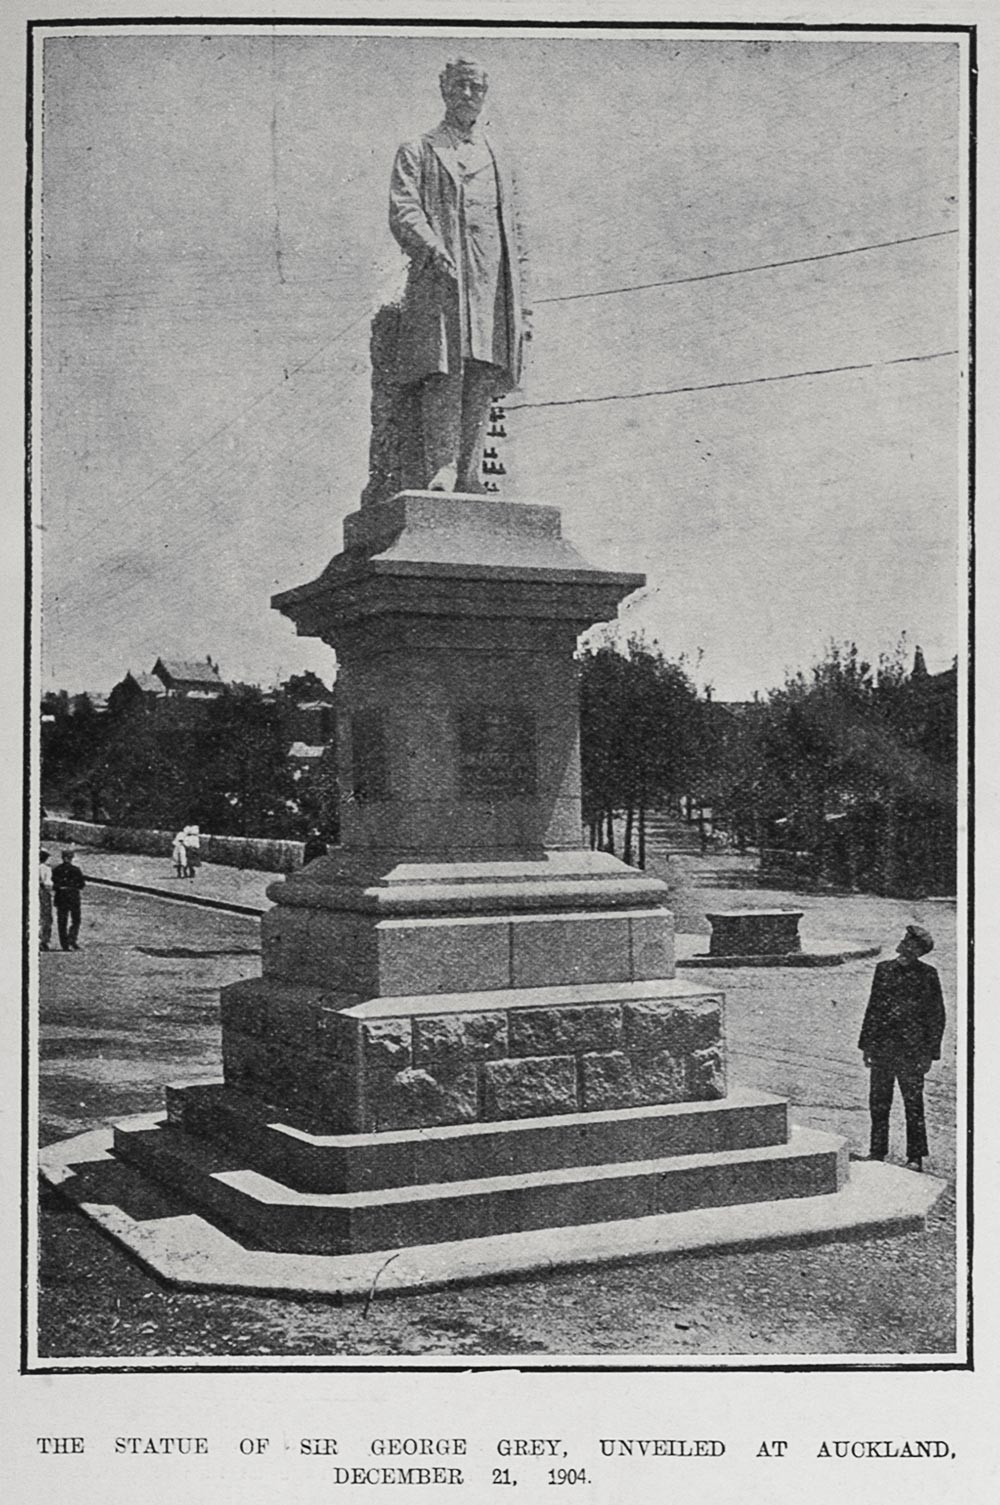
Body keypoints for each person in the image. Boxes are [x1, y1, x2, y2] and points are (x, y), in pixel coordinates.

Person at [389, 58, 529, 493]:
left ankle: (469, 473)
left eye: (475, 87)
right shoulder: (420, 149)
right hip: (442, 276)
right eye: (459, 86)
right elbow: (404, 209)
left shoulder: (499, 158)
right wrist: (432, 247)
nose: (467, 94)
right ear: (444, 90)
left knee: (482, 370)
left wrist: (523, 306)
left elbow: (518, 236)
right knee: (444, 370)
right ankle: (443, 467)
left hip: (490, 280)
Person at [858, 923, 946, 1171]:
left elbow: (936, 1016)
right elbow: (873, 1009)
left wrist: (930, 1054)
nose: (902, 942)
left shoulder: (928, 974)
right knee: (879, 1102)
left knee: (913, 1104)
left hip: (912, 1052)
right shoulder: (883, 969)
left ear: (917, 949)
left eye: (908, 941)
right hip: (883, 1048)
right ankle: (877, 1151)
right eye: (904, 939)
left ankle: (915, 1157)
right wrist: (867, 1046)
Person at [52, 848, 86, 951]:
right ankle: (72, 940)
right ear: (71, 858)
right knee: (75, 919)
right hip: (73, 897)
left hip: (61, 897)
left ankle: (65, 944)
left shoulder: (56, 869)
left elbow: (54, 884)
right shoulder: (76, 870)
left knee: (62, 921)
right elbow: (81, 884)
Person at [39, 849, 54, 951]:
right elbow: (48, 884)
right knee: (46, 917)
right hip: (43, 893)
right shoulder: (46, 869)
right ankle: (44, 941)